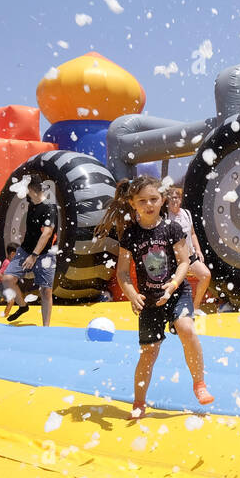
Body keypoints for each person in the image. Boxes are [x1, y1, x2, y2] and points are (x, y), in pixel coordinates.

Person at [101, 174, 213, 418]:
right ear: (132, 203)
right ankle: (139, 402)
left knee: (186, 328)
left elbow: (184, 263)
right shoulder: (130, 234)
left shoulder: (172, 228)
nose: (149, 205)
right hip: (149, 299)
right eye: (142, 201)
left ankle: (199, 383)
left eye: (153, 199)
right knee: (149, 352)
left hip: (175, 291)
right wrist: (131, 294)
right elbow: (122, 272)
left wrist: (172, 285)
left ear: (162, 199)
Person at [0, 174, 56, 327]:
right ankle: (23, 306)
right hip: (25, 250)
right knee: (8, 279)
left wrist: (34, 255)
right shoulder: (31, 202)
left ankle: (46, 327)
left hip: (44, 255)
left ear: (31, 189)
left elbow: (47, 233)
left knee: (45, 291)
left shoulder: (49, 207)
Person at [164, 181, 212, 311]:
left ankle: (195, 307)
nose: (174, 200)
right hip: (173, 259)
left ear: (181, 199)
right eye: (171, 198)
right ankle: (169, 310)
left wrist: (198, 249)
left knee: (205, 275)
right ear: (167, 200)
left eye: (177, 197)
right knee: (171, 286)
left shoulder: (186, 213)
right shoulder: (165, 216)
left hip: (189, 257)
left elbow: (192, 234)